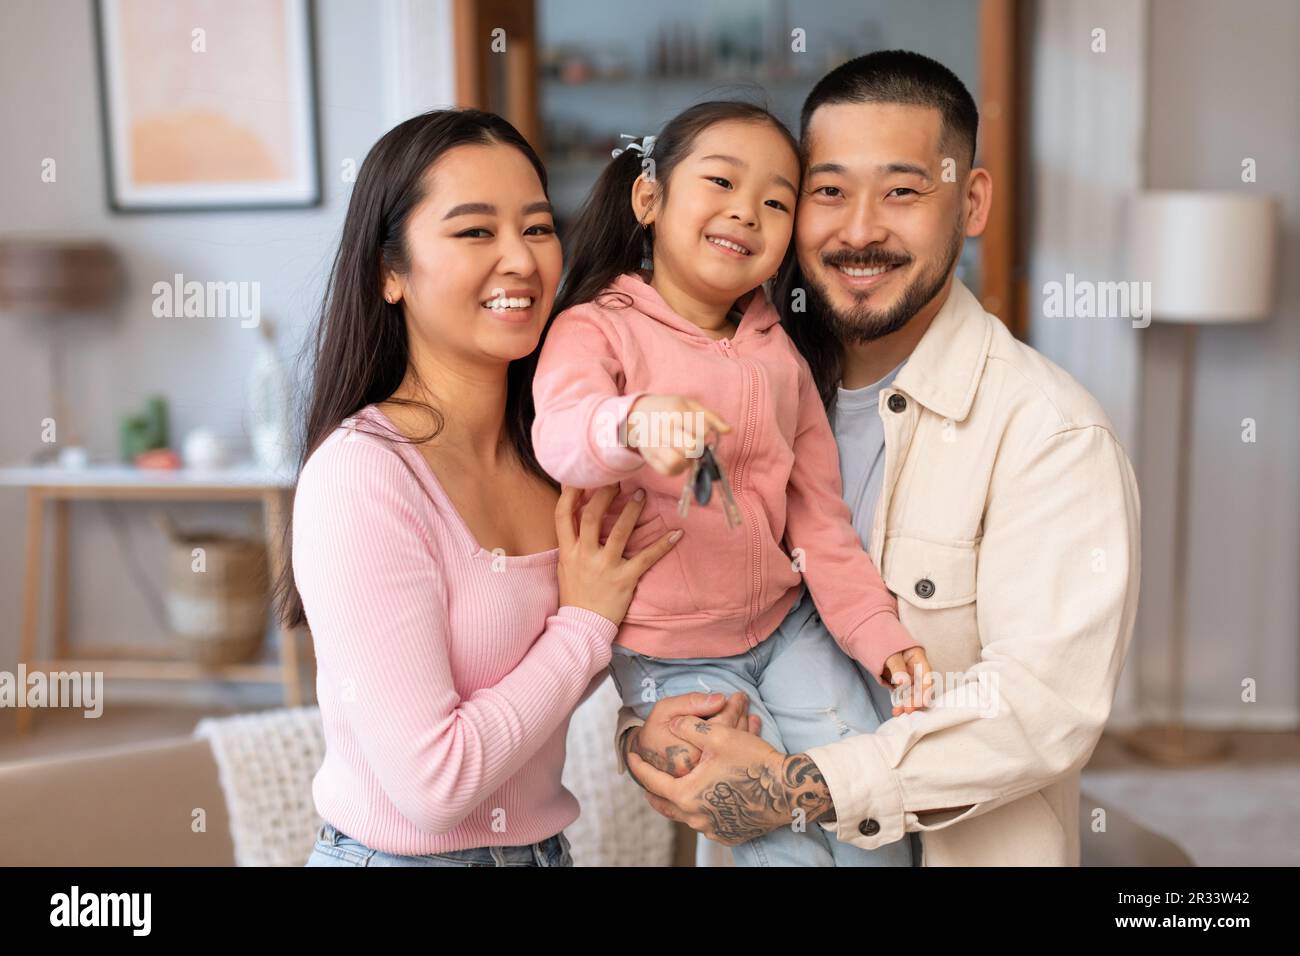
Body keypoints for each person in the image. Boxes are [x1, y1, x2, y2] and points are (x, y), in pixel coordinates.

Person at [618, 50, 1142, 867]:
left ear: (970, 203)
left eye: (902, 190)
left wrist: (801, 785)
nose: (859, 230)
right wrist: (645, 732)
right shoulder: (743, 392)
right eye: (828, 192)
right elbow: (660, 623)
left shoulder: (1051, 435)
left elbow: (1043, 710)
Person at [279, 108, 684, 867]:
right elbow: (434, 787)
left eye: (536, 228)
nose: (521, 261)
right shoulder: (363, 474)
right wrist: (586, 620)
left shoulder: (559, 456)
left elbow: (563, 676)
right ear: (388, 272)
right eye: (474, 232)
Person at [531, 100, 930, 866]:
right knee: (776, 838)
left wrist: (880, 634)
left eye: (777, 202)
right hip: (671, 658)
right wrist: (633, 423)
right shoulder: (596, 327)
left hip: (790, 630)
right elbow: (561, 436)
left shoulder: (782, 359)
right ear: (650, 199)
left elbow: (821, 526)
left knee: (865, 807)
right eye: (720, 182)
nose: (746, 213)